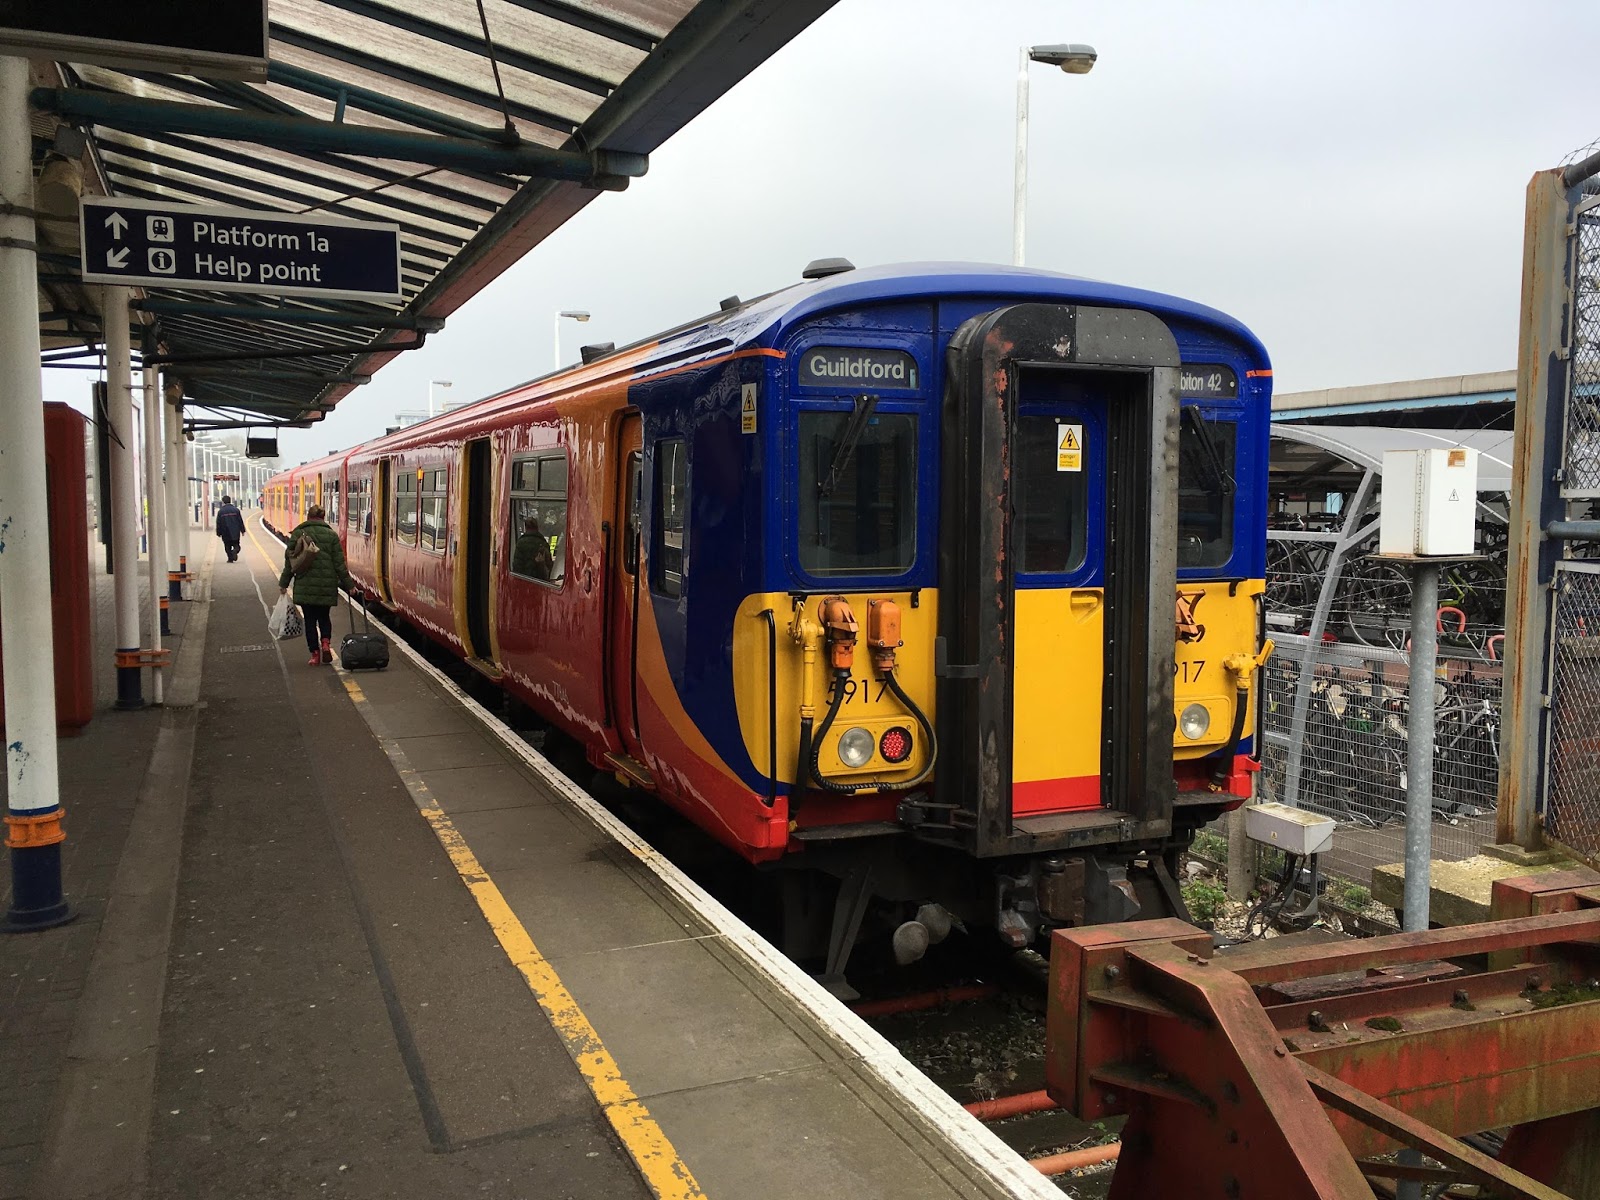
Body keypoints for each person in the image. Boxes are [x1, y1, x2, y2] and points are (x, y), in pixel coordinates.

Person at [278, 504, 353, 667]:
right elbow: (340, 564)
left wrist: (284, 583)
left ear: (308, 517)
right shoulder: (331, 536)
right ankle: (325, 643)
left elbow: (290, 562)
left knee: (310, 621)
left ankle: (315, 654)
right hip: (326, 585)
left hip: (305, 585)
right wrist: (350, 585)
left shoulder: (298, 533)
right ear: (323, 517)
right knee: (324, 617)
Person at [510, 515, 554, 581]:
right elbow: (549, 565)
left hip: (524, 581)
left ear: (526, 527)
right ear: (537, 527)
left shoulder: (520, 543)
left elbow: (517, 566)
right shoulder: (544, 544)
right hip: (540, 582)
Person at [215, 494, 245, 563]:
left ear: (223, 502)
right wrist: (242, 530)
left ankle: (230, 559)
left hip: (225, 532)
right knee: (236, 545)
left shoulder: (221, 511)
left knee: (227, 546)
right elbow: (240, 521)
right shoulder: (236, 510)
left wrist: (218, 532)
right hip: (235, 531)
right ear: (230, 501)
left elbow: (218, 523)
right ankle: (235, 551)